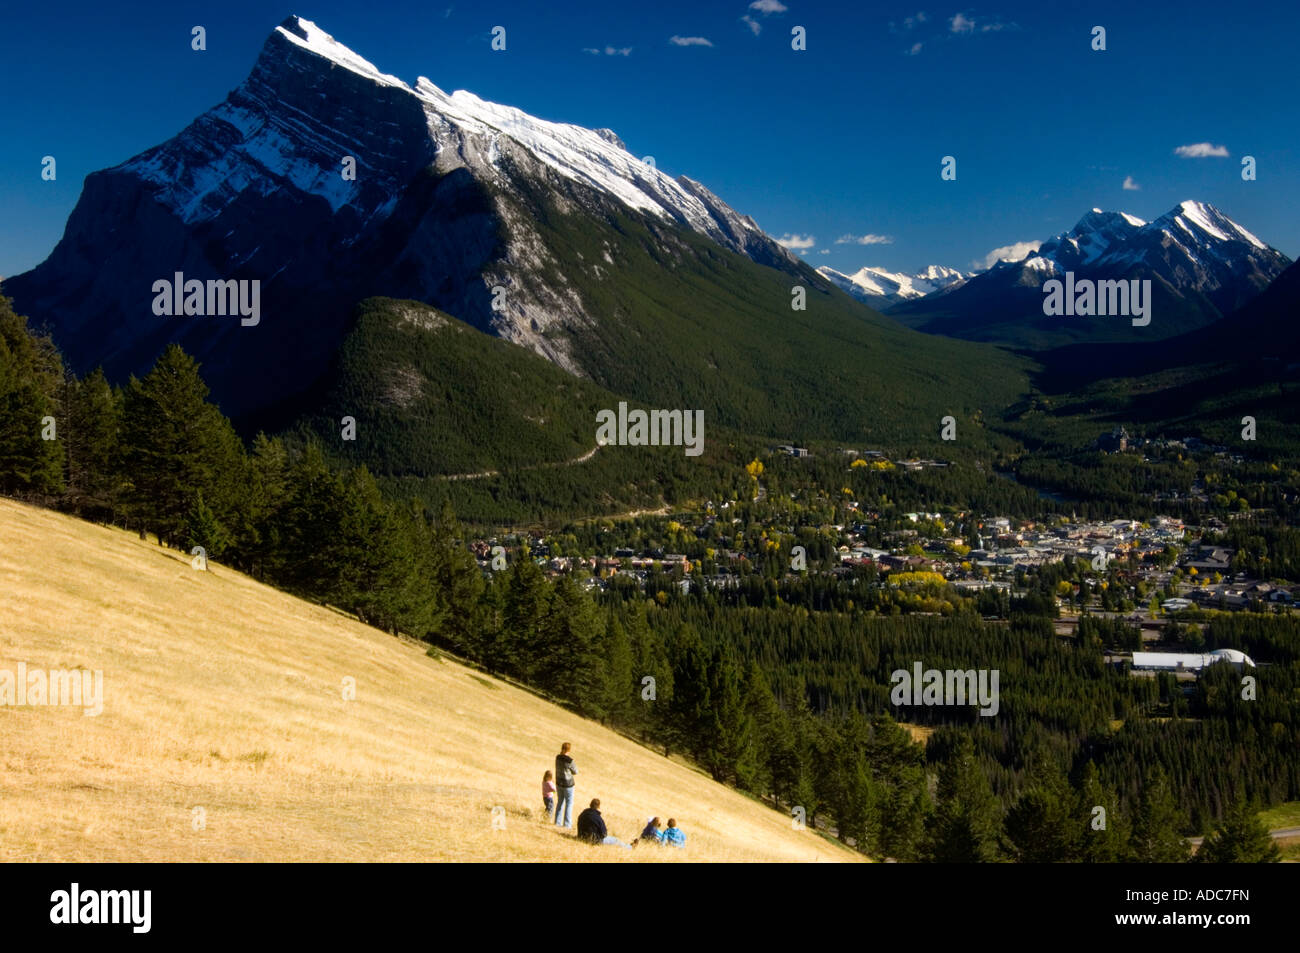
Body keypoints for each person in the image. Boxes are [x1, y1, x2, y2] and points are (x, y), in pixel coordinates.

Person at [553, 743, 577, 828]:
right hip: (568, 784)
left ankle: (557, 822)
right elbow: (575, 771)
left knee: (560, 802)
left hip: (559, 782)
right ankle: (567, 824)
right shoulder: (570, 760)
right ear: (569, 750)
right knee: (569, 803)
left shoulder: (557, 757)